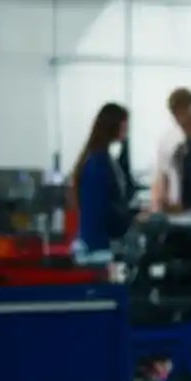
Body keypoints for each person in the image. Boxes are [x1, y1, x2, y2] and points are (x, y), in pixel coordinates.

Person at [72, 102, 134, 262]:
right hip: (98, 249)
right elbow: (97, 210)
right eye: (124, 124)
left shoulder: (104, 159)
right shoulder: (97, 164)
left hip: (100, 244)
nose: (127, 128)